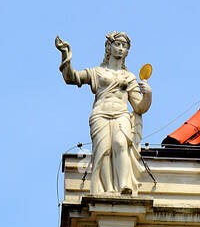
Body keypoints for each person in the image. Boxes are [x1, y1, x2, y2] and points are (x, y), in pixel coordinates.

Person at [55, 32, 152, 196]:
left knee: (120, 144)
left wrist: (148, 94)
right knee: (103, 151)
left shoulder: (129, 77)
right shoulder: (97, 72)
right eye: (118, 44)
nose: (121, 48)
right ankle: (107, 189)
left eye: (124, 46)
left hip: (121, 113)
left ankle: (123, 186)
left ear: (127, 51)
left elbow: (139, 107)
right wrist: (66, 54)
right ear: (109, 47)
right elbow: (72, 77)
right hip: (101, 113)